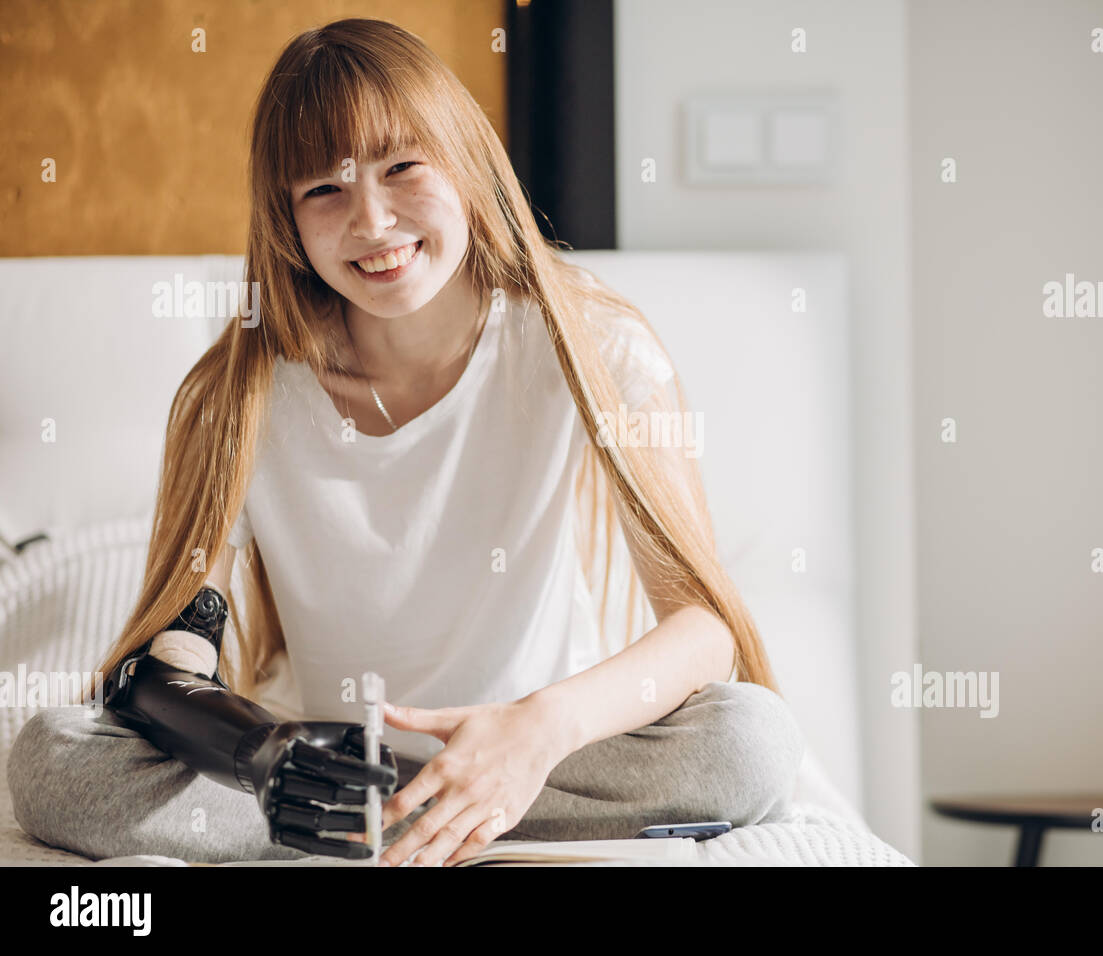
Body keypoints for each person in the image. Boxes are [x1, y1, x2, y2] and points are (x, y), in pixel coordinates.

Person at [7, 17, 804, 867]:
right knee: (51, 758)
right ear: (287, 222)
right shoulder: (236, 397)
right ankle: (413, 816)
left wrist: (539, 729)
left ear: (462, 161)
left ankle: (462, 804)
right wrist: (266, 755)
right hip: (322, 769)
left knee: (749, 737)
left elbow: (702, 628)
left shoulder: (593, 346)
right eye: (325, 191)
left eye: (401, 168)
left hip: (545, 757)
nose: (373, 222)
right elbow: (162, 667)